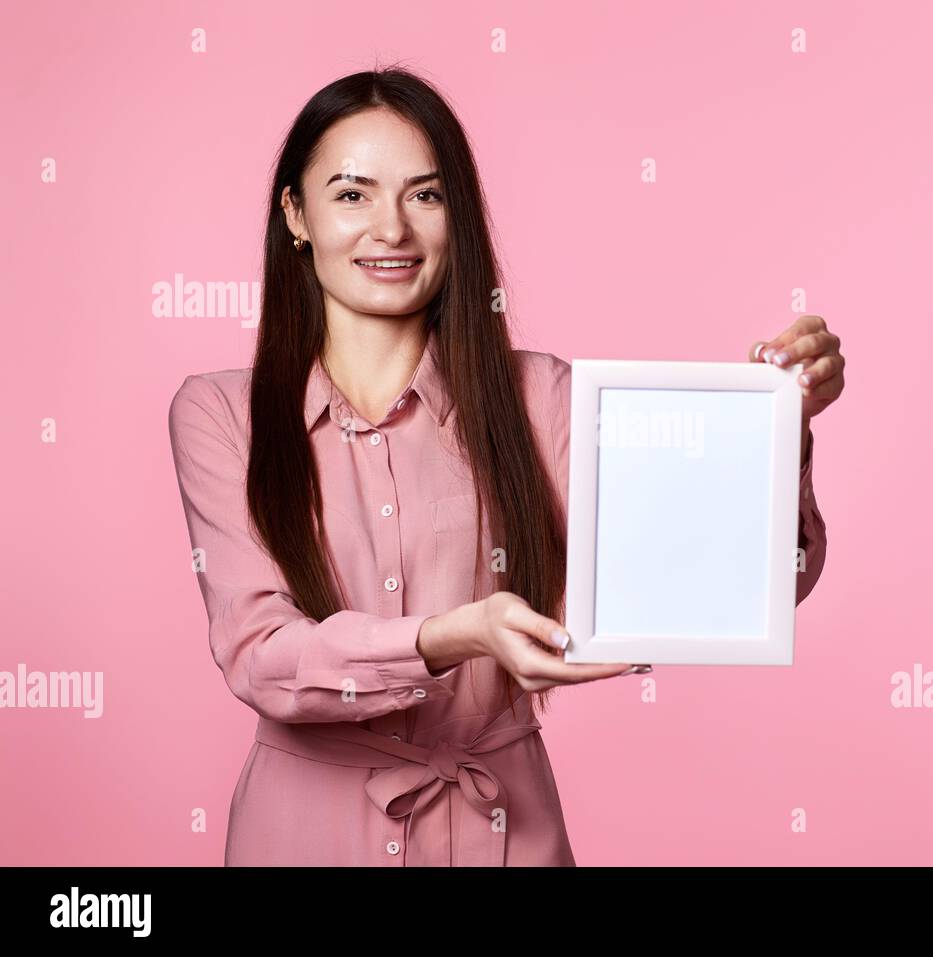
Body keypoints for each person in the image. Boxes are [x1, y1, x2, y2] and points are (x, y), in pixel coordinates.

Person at [167, 66, 844, 866]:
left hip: (502, 831)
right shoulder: (219, 413)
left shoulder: (544, 395)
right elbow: (263, 656)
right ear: (296, 214)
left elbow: (741, 584)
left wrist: (775, 430)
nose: (391, 229)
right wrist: (457, 633)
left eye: (425, 194)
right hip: (302, 834)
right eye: (352, 195)